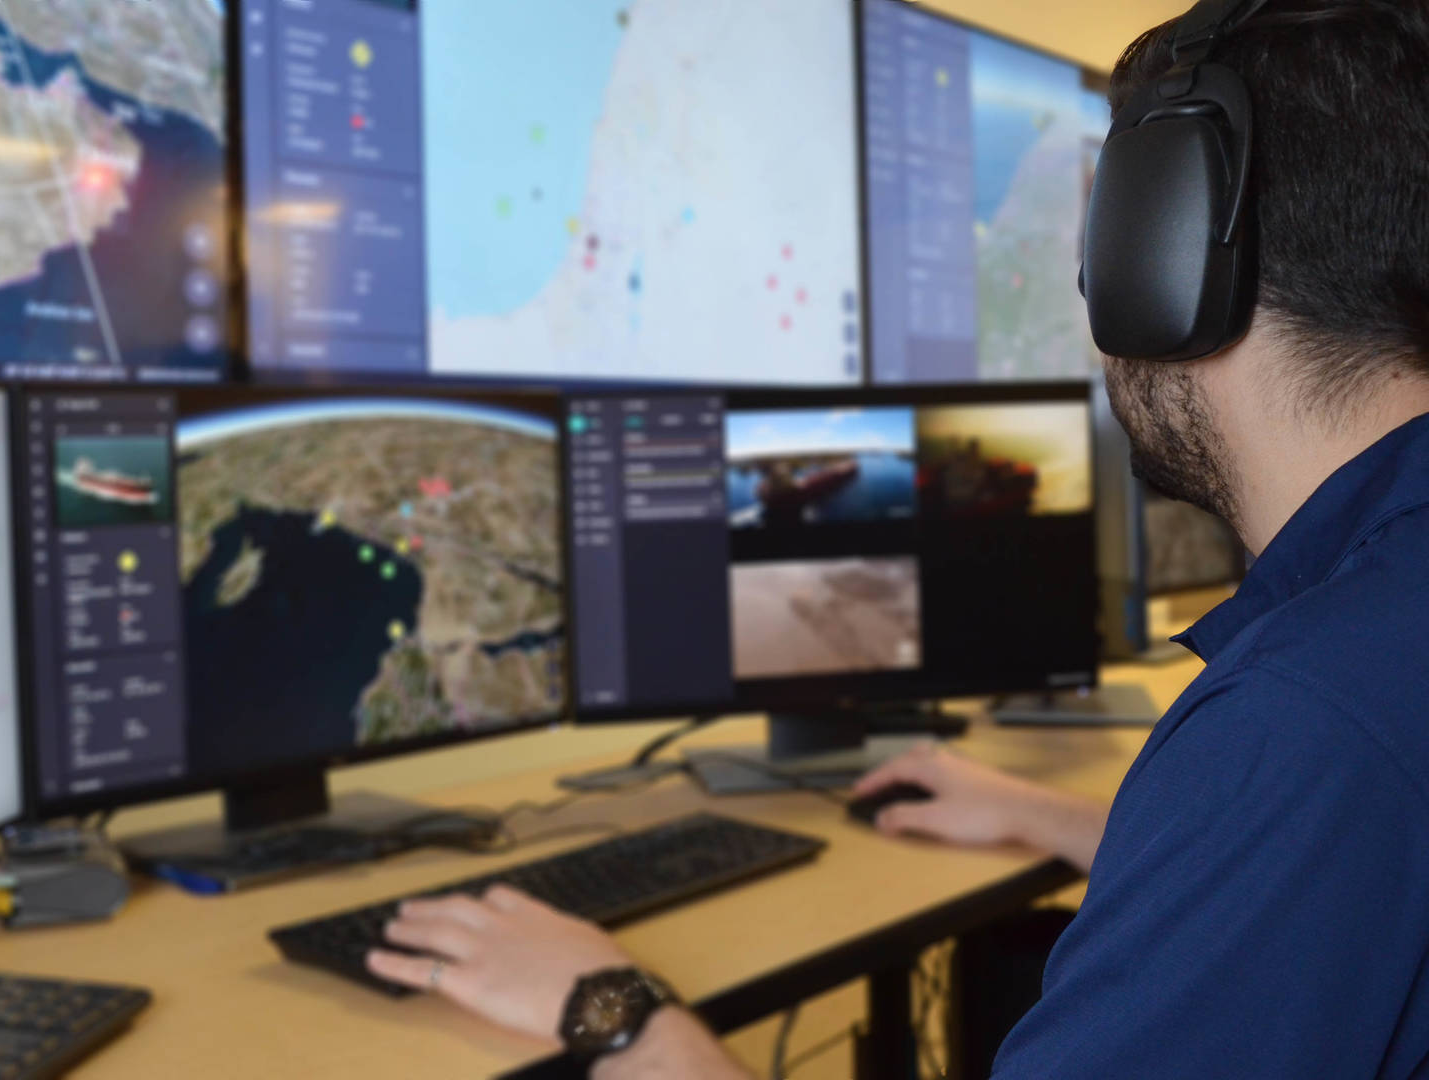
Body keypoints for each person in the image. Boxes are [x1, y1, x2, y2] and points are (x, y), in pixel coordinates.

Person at [365, 1, 1429, 1075]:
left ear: (1155, 263)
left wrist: (617, 1009)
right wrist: (1056, 820)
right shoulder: (1367, 660)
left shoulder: (1303, 722)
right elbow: (1328, 876)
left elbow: (1322, 804)